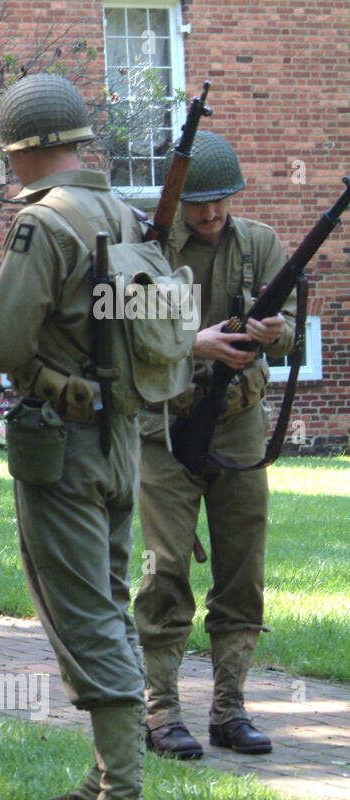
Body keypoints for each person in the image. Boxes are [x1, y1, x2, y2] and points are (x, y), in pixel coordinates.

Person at [0, 74, 148, 800]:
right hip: (123, 441)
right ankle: (103, 781)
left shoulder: (46, 224)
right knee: (111, 598)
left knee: (86, 613)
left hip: (63, 449)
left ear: (22, 150)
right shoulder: (124, 214)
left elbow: (0, 341)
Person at [135, 131, 293, 760]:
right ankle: (161, 712)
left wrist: (275, 335)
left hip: (237, 421)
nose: (210, 214)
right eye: (198, 203)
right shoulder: (146, 251)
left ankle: (230, 710)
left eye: (220, 201)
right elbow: (119, 331)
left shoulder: (259, 244)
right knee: (165, 570)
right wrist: (192, 343)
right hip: (166, 426)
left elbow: (288, 343)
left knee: (243, 570)